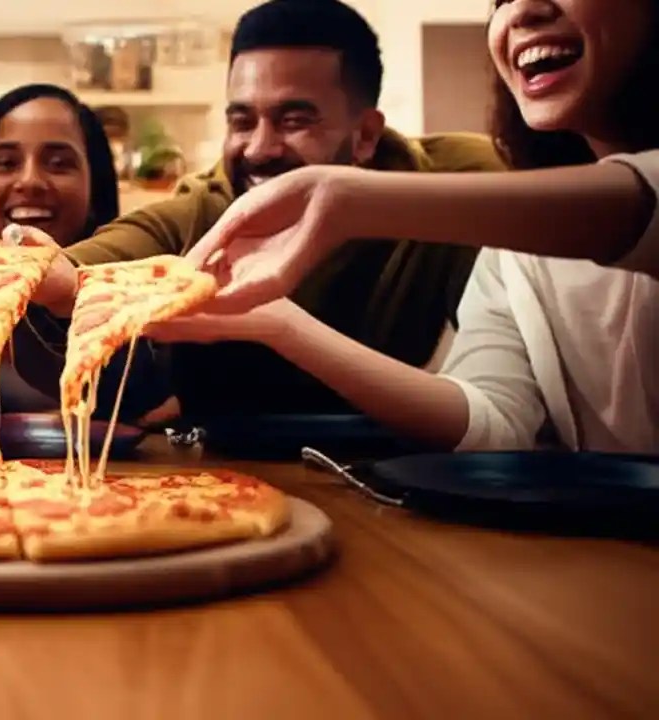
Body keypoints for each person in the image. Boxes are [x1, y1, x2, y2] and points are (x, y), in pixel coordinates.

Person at [149, 0, 658, 453]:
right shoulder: (516, 255)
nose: (522, 11)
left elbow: (635, 206)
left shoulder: (532, 209)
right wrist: (277, 323)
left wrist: (349, 201)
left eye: (294, 119)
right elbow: (494, 421)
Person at [0, 0, 509, 425]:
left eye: (293, 119)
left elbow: (505, 404)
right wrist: (59, 279)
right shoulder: (204, 209)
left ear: (367, 134)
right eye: (242, 121)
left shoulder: (456, 182)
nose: (260, 148)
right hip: (211, 482)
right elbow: (99, 259)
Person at [0, 83, 174, 427]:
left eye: (58, 164)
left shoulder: (139, 291)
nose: (29, 181)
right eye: (7, 163)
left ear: (94, 189)